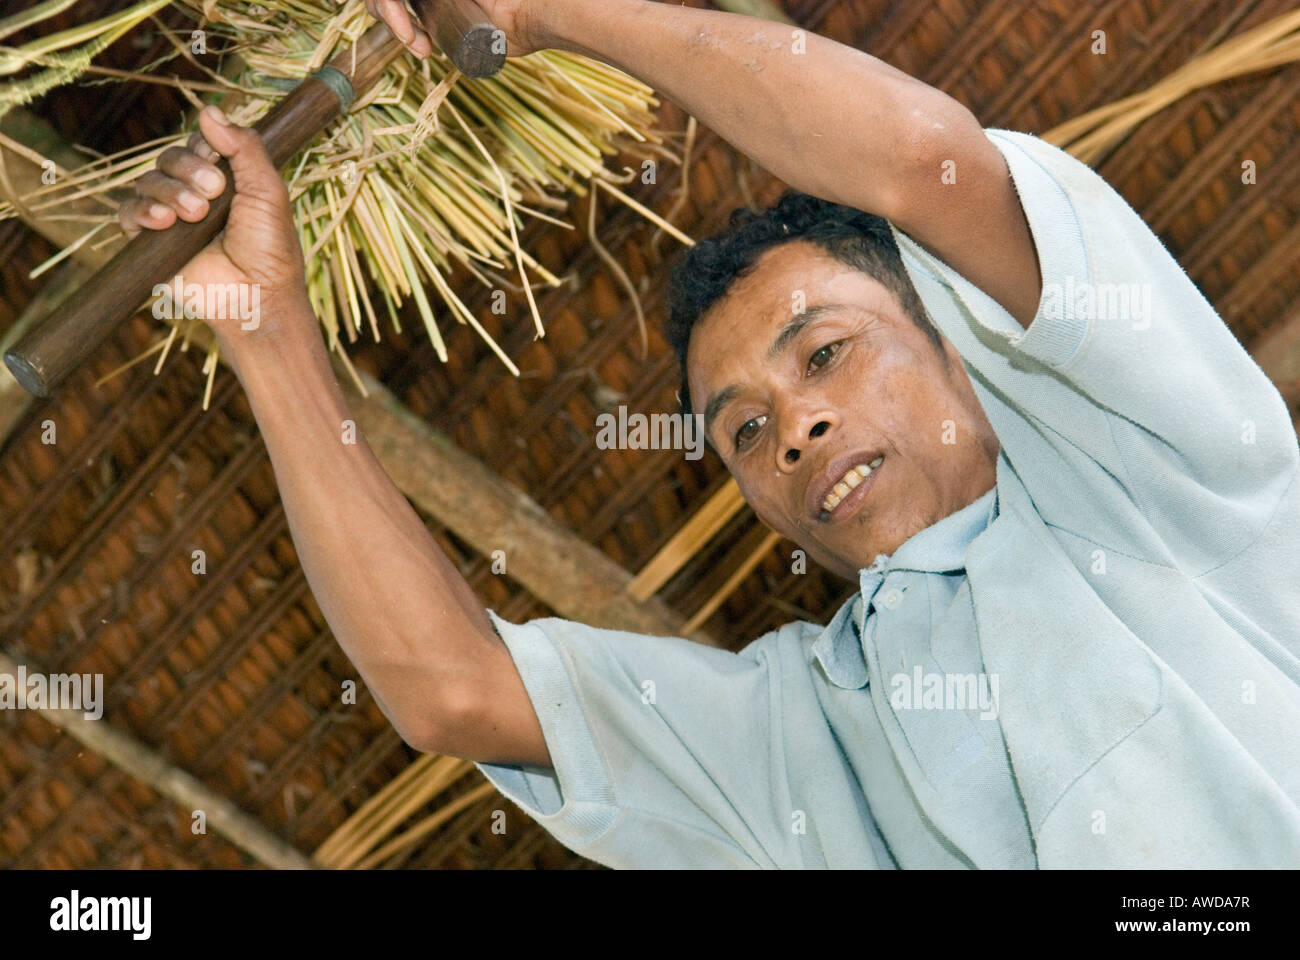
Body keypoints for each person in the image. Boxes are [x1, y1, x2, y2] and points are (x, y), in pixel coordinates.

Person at [119, 0, 1300, 868]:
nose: (793, 430)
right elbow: (453, 691)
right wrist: (262, 324)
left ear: (957, 340)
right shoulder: (813, 735)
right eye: (742, 433)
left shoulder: (1148, 465)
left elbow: (922, 163)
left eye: (824, 352)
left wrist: (537, 11)